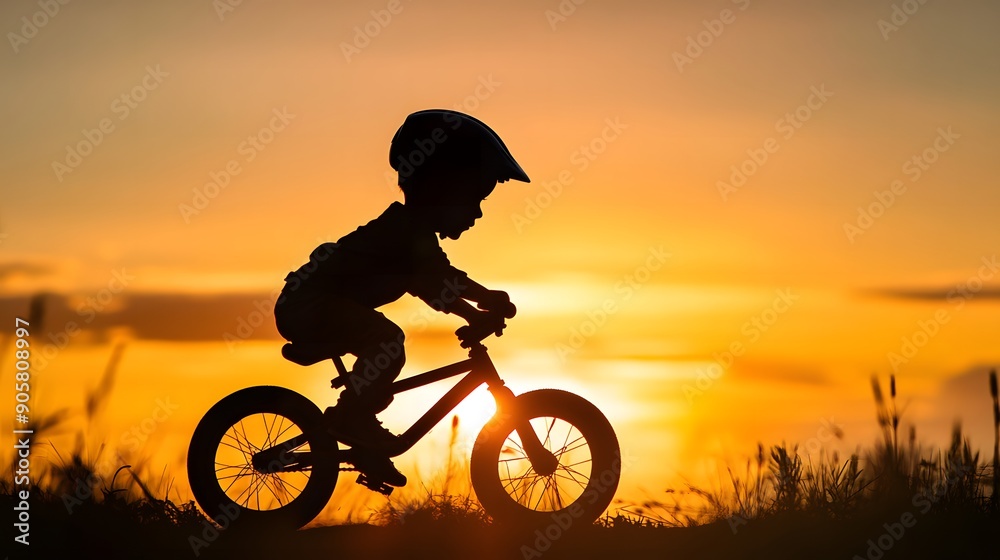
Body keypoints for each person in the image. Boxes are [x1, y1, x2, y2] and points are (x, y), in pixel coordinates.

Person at [273, 109, 529, 486]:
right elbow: (439, 280)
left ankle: (362, 441)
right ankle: (351, 420)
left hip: (315, 303)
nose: (476, 214)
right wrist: (482, 300)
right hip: (307, 303)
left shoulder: (414, 235)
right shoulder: (405, 231)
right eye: (472, 200)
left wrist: (473, 313)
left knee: (383, 353)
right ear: (441, 190)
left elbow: (431, 283)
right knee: (388, 342)